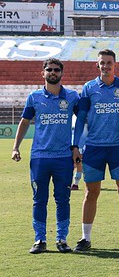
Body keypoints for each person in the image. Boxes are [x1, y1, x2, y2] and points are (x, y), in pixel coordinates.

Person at [12, 58, 80, 254]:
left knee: (62, 199)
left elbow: (84, 118)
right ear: (43, 73)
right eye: (49, 69)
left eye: (56, 70)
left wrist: (78, 147)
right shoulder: (34, 97)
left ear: (61, 73)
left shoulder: (72, 97)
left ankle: (61, 238)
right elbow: (25, 122)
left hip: (63, 158)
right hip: (40, 157)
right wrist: (16, 147)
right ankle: (40, 239)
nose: (52, 72)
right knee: (39, 199)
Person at [72, 49, 119, 251]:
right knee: (91, 193)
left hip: (118, 147)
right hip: (94, 147)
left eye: (109, 63)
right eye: (102, 63)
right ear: (97, 65)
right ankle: (85, 238)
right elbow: (81, 117)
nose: (106, 66)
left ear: (115, 64)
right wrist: (75, 145)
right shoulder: (89, 87)